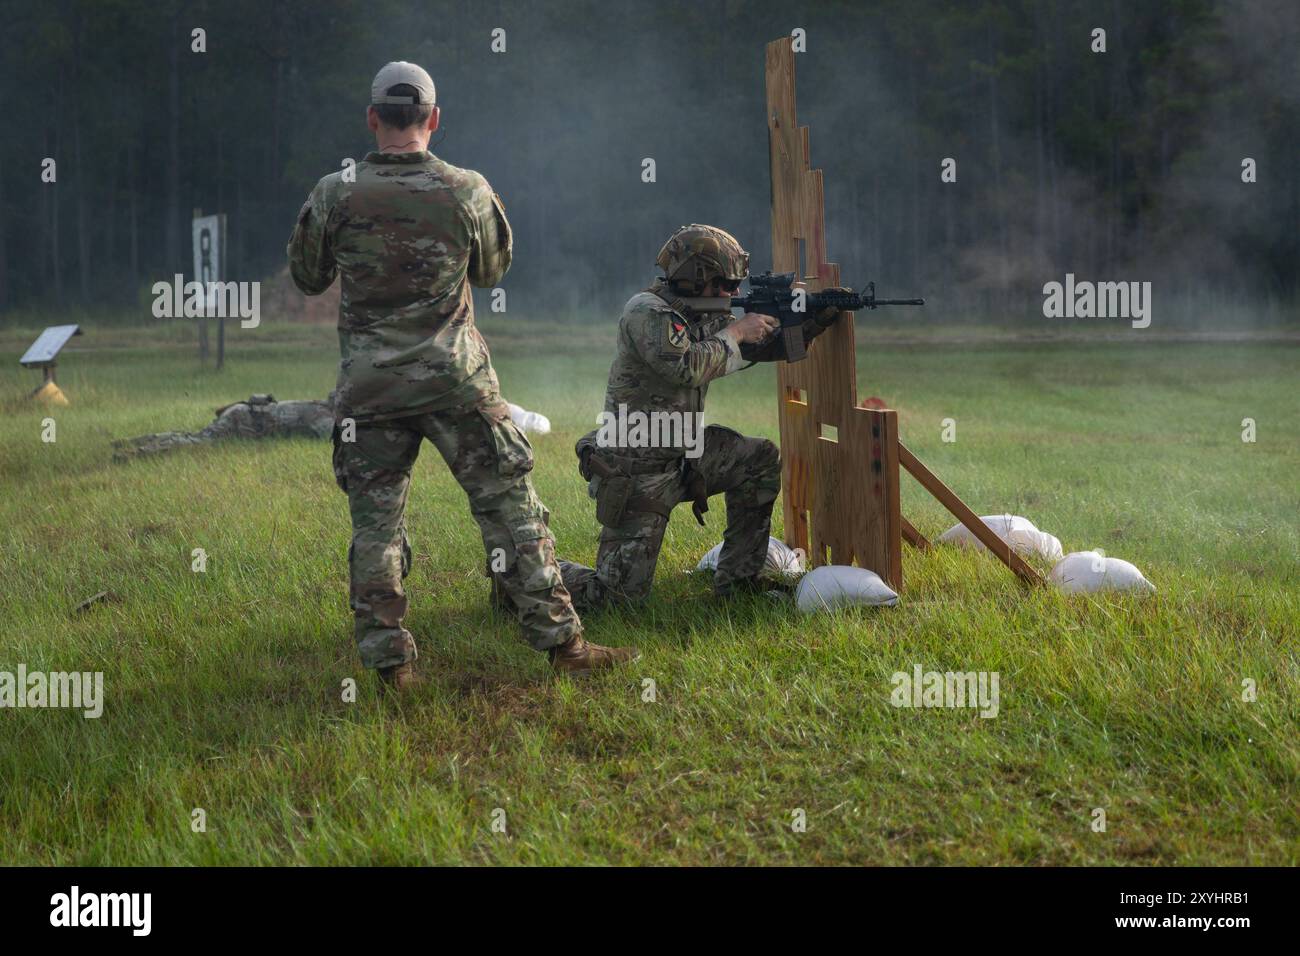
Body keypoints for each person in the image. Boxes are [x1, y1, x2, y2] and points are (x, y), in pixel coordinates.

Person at [286, 61, 637, 692]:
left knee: (376, 527)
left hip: (370, 392)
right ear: (434, 119)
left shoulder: (334, 192)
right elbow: (493, 272)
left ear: (372, 119)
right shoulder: (465, 188)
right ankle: (565, 645)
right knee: (511, 511)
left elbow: (308, 277)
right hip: (456, 380)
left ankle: (391, 666)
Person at [559, 224, 846, 607]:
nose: (733, 293)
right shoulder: (646, 312)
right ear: (695, 278)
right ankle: (523, 570)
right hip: (637, 466)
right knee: (616, 601)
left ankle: (739, 581)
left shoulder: (697, 313)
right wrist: (738, 331)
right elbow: (688, 367)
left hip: (685, 453)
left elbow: (751, 351)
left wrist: (809, 321)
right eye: (725, 284)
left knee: (760, 459)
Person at [112, 394, 333, 461]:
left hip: (244, 412)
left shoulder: (315, 405)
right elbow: (333, 437)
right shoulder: (323, 415)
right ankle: (133, 455)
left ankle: (134, 442)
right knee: (198, 442)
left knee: (192, 436)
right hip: (244, 420)